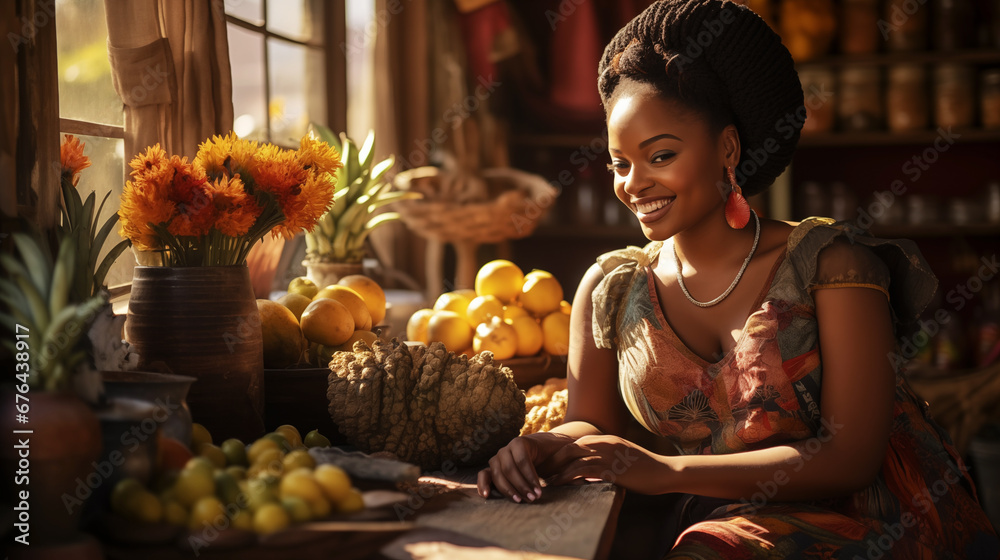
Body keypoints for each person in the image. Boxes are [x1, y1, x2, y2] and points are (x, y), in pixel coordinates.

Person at [478, 1, 1000, 557]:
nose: (633, 184)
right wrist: (542, 446)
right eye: (619, 163)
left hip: (879, 523)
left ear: (727, 148)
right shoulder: (612, 289)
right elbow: (589, 424)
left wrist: (664, 469)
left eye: (659, 155)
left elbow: (851, 458)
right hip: (719, 523)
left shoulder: (832, 268)